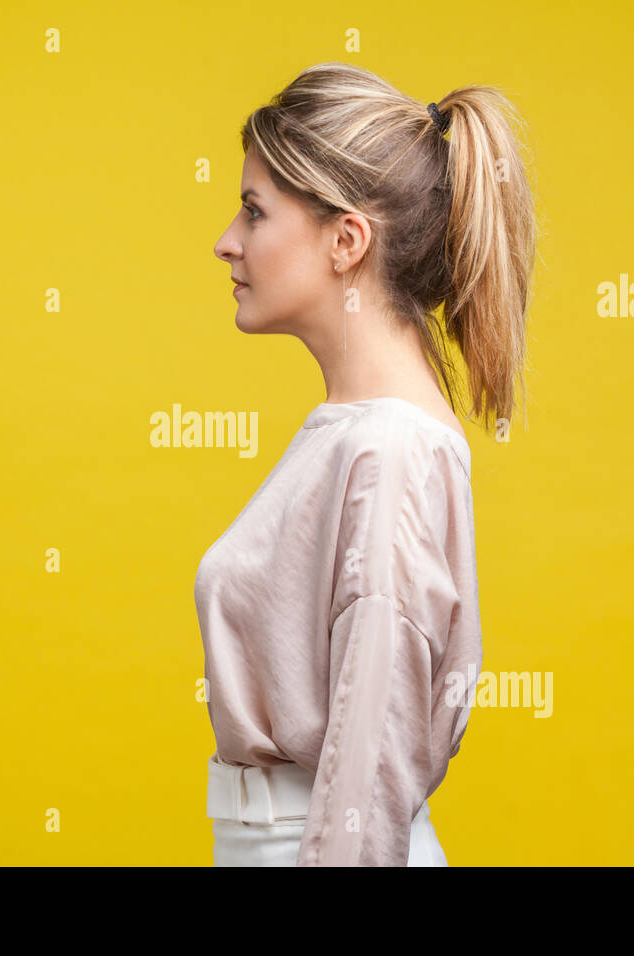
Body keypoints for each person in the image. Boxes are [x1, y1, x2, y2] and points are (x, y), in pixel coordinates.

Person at [196, 62, 537, 866]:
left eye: (254, 211)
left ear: (347, 240)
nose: (226, 241)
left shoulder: (390, 450)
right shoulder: (357, 435)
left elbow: (372, 756)